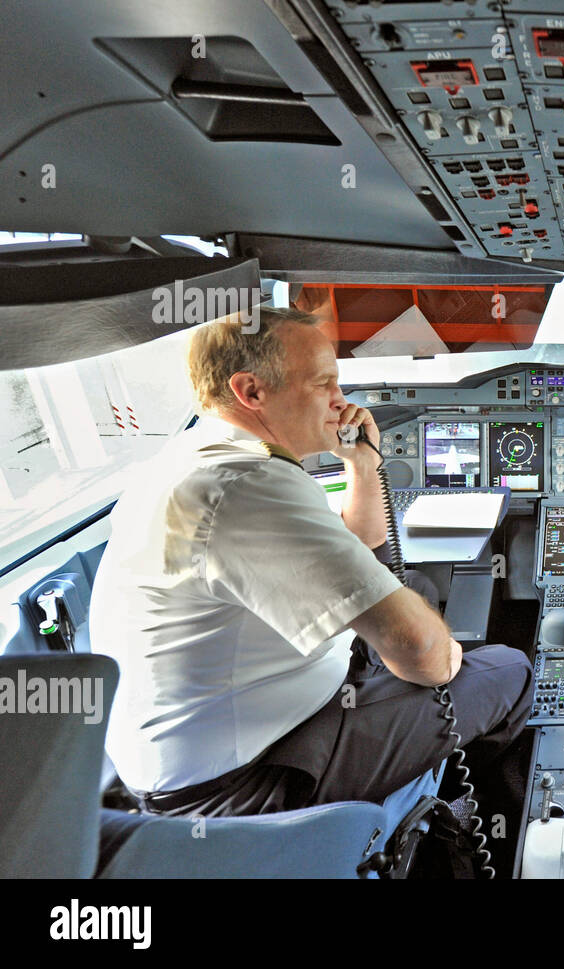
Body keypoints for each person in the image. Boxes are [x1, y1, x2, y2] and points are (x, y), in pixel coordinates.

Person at [90, 306, 532, 826]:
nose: (340, 401)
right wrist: (449, 650)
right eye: (324, 383)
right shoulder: (249, 485)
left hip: (206, 749)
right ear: (251, 391)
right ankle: (467, 826)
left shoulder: (200, 457)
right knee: (507, 670)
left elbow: (354, 548)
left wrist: (362, 464)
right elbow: (426, 660)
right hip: (245, 781)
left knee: (410, 585)